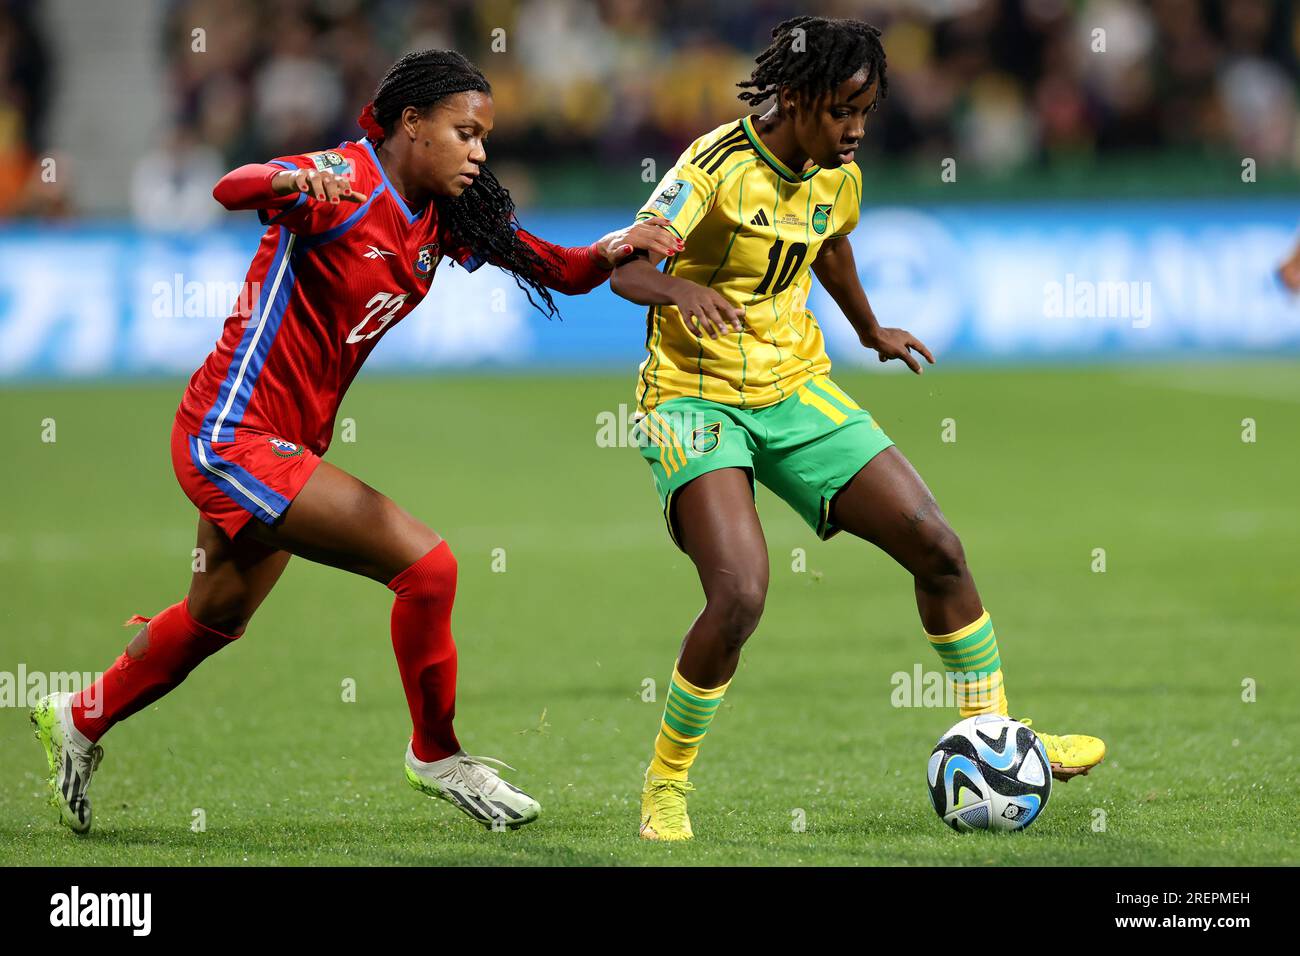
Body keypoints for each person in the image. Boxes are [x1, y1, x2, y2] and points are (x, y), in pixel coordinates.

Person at [30, 49, 681, 836]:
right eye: (465, 132)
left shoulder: (443, 215)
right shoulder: (341, 180)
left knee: (215, 617)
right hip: (229, 434)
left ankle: (78, 717)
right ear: (413, 124)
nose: (479, 152)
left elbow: (561, 270)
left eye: (485, 138)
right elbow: (228, 188)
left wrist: (618, 245)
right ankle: (436, 754)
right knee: (426, 566)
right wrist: (286, 180)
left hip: (284, 448)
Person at [609, 17, 1106, 841]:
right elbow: (625, 264)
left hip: (796, 389)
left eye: (867, 109)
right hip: (693, 401)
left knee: (938, 547)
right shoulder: (713, 166)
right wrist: (679, 292)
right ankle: (665, 786)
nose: (858, 128)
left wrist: (870, 328)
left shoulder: (840, 175)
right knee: (738, 594)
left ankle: (998, 736)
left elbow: (829, 245)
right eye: (845, 108)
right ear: (799, 98)